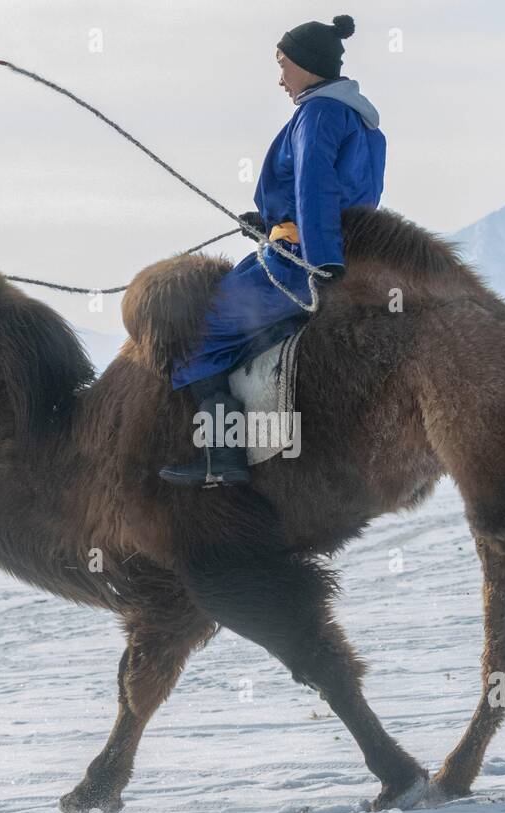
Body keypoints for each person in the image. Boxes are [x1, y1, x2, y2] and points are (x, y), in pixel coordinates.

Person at [159, 14, 386, 487]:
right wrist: (267, 222)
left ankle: (223, 456)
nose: (280, 77)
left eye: (284, 64)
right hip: (332, 252)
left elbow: (317, 191)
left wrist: (319, 261)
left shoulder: (317, 114)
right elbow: (344, 196)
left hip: (296, 266)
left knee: (196, 333)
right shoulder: (362, 121)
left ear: (306, 65)